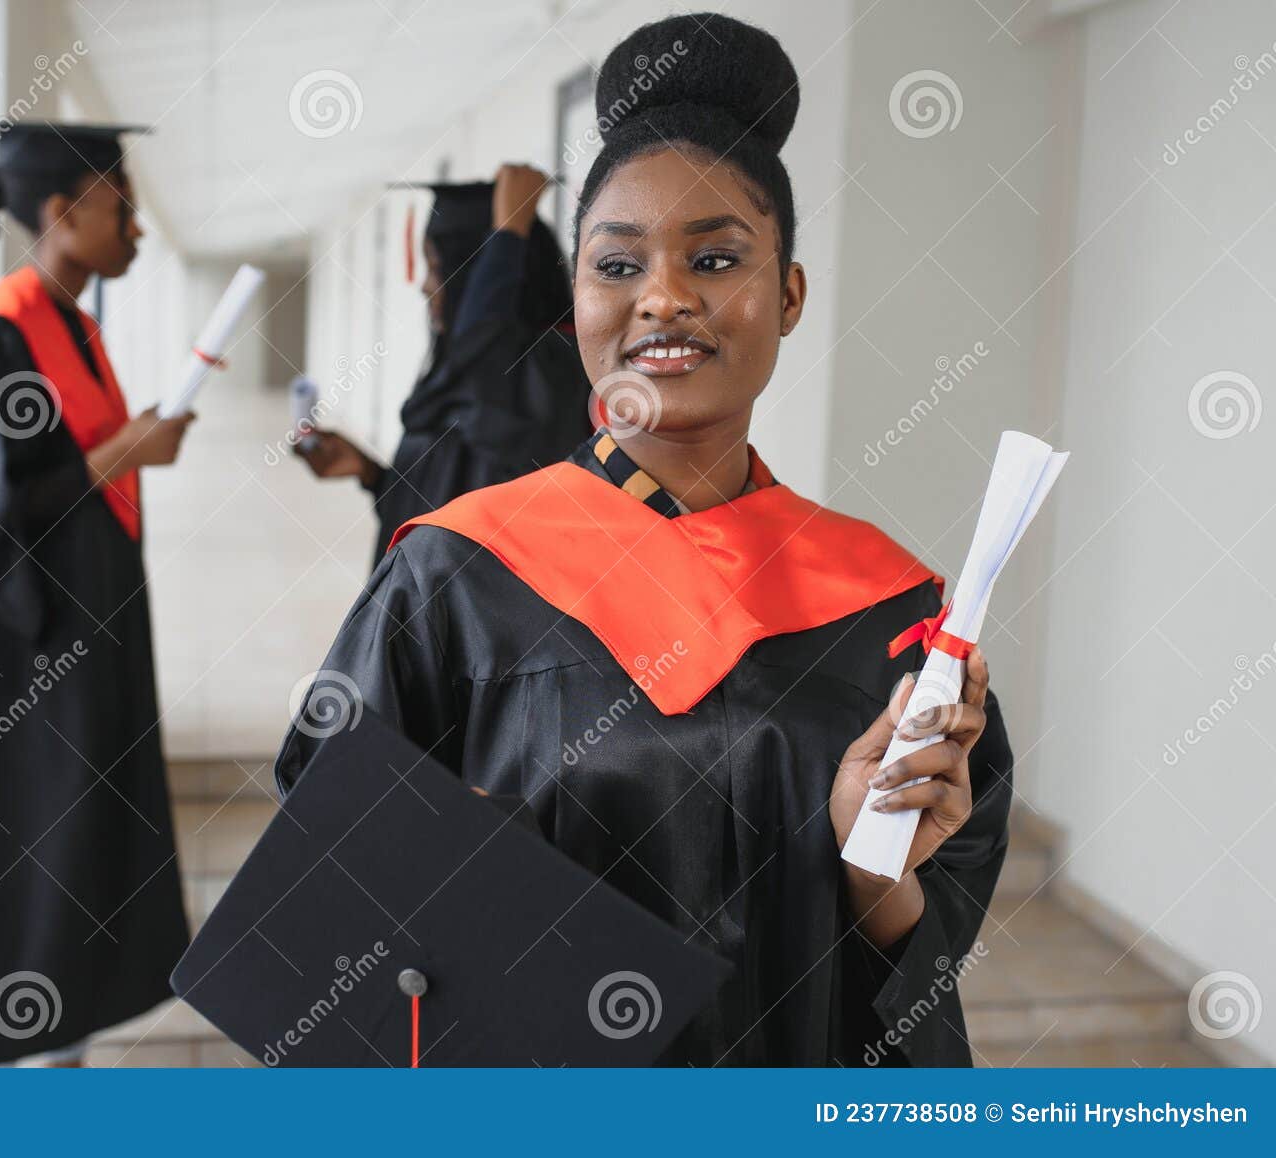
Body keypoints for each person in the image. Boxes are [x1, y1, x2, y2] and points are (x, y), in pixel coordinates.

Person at [276, 16, 1013, 1067]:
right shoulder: (457, 571)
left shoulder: (888, 611)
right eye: (616, 263)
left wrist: (872, 865)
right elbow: (327, 868)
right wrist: (447, 852)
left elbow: (919, 941)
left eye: (715, 258)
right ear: (573, 299)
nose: (663, 295)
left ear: (789, 294)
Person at [0, 121, 191, 1067]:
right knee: (45, 838)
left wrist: (134, 441)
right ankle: (30, 1046)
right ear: (62, 212)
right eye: (122, 208)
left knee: (90, 833)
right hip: (32, 644)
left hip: (89, 619)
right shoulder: (2, 331)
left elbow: (67, 466)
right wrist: (125, 449)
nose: (137, 230)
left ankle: (65, 1032)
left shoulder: (72, 321)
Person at [297, 164, 592, 563]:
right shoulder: (453, 377)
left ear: (475, 275)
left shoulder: (544, 373)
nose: (424, 285)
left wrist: (506, 236)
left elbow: (488, 359)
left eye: (435, 268)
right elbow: (432, 517)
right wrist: (373, 475)